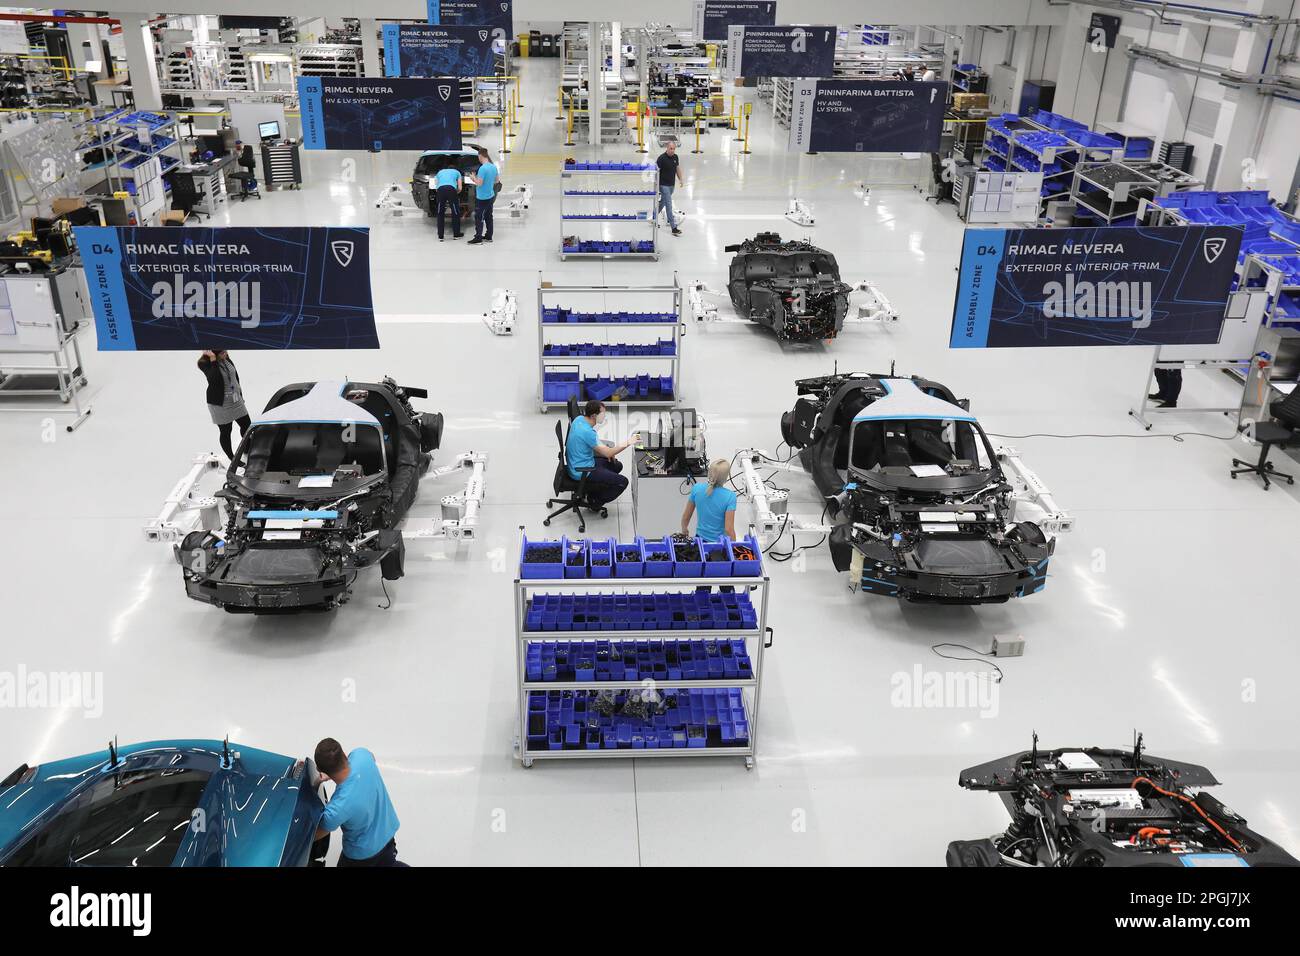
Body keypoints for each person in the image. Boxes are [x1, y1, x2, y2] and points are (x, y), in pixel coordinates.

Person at [312, 738, 406, 867]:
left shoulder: (337, 808)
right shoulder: (361, 755)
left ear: (320, 769)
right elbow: (371, 758)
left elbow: (314, 835)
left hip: (362, 858)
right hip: (388, 835)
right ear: (344, 754)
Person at [566, 399, 635, 509]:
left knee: (617, 465)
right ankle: (594, 500)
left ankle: (593, 488)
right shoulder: (588, 432)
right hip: (582, 470)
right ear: (594, 415)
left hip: (578, 461)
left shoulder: (579, 419)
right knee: (622, 482)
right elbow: (608, 453)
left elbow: (594, 443)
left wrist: (607, 451)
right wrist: (629, 442)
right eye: (602, 413)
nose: (604, 416)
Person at [199, 350, 250, 459]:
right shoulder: (204, 363)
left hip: (236, 400)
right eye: (222, 353)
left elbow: (235, 378)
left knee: (247, 425)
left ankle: (247, 449)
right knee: (226, 431)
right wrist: (213, 360)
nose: (226, 354)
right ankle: (232, 458)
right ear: (214, 354)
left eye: (225, 351)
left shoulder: (226, 359)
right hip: (220, 404)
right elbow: (214, 379)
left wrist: (240, 395)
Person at [681, 458, 738, 541]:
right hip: (719, 545)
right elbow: (728, 529)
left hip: (700, 542)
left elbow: (686, 517)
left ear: (709, 473)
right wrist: (734, 547)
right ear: (726, 477)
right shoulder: (730, 496)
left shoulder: (697, 488)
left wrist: (684, 529)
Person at [466, 147, 498, 245]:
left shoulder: (483, 168)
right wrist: (488, 184)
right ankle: (489, 236)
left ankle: (478, 238)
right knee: (489, 216)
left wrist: (473, 178)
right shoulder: (493, 166)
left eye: (478, 157)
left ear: (480, 156)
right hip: (490, 196)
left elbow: (479, 183)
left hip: (482, 198)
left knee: (479, 218)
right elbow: (496, 180)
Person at [656, 140, 684, 237]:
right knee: (668, 205)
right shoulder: (661, 159)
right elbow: (656, 172)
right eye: (670, 148)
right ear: (667, 148)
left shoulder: (675, 157)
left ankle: (653, 217)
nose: (672, 151)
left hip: (671, 185)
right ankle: (674, 228)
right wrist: (656, 185)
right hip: (663, 185)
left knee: (663, 202)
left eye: (674, 149)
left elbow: (677, 169)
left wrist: (681, 179)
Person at [433, 163, 463, 241]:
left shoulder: (440, 172)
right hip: (451, 189)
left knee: (440, 213)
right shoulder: (457, 172)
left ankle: (440, 236)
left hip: (440, 190)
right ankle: (456, 234)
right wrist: (455, 193)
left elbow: (435, 184)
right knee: (455, 212)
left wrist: (439, 190)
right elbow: (460, 188)